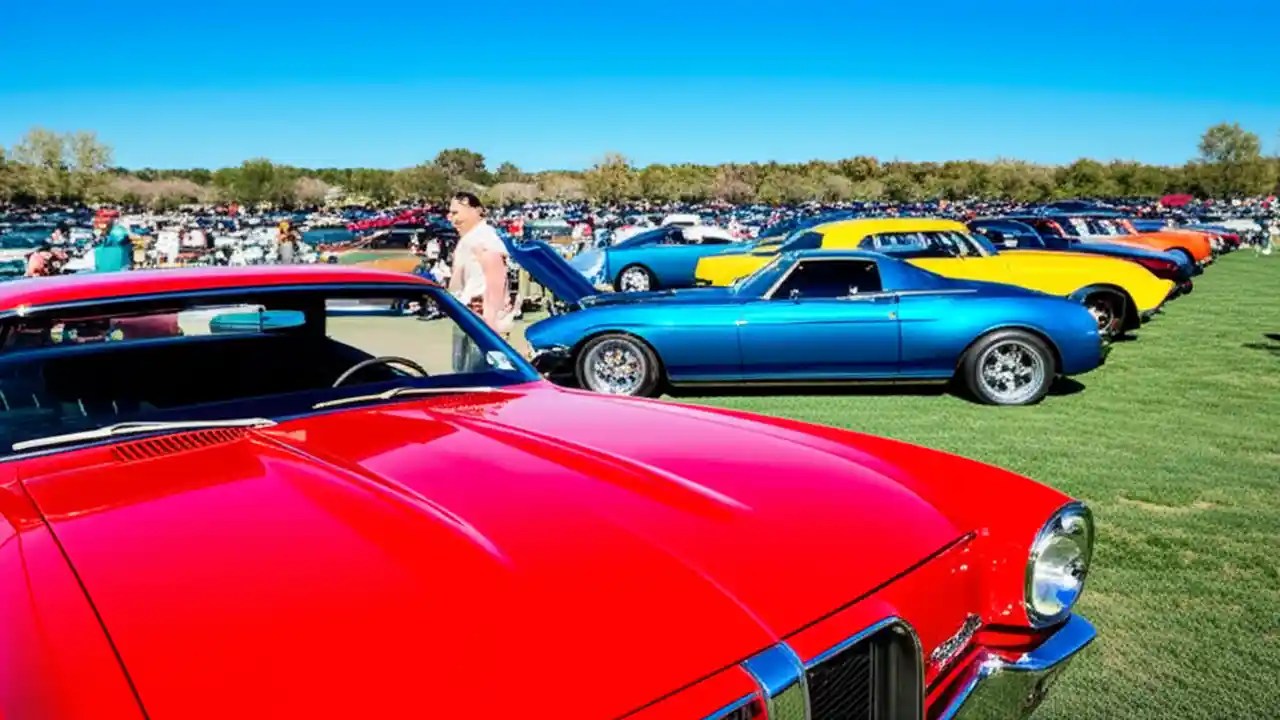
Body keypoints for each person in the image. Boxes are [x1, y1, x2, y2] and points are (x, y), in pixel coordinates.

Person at [446, 192, 514, 335]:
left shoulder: (484, 239)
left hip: (482, 321)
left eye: (455, 213)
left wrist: (490, 328)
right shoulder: (472, 238)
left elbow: (496, 285)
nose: (451, 218)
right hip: (470, 316)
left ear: (476, 211)